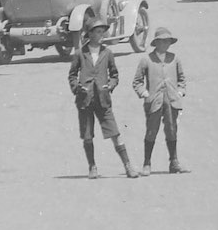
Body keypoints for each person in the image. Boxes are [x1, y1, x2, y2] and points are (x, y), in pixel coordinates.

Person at [68, 14, 130, 176]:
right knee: (87, 136)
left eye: (102, 32)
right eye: (97, 32)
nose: (101, 35)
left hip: (103, 99)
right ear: (89, 34)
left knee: (115, 133)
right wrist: (77, 88)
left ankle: (128, 165)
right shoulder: (80, 54)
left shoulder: (107, 53)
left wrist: (110, 85)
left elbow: (114, 74)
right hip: (85, 100)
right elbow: (72, 75)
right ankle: (92, 167)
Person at [131, 30, 188, 174]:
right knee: (151, 131)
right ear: (156, 43)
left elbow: (182, 79)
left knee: (172, 129)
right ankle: (147, 163)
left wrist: (180, 92)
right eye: (162, 41)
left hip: (172, 100)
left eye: (168, 41)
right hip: (154, 101)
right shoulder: (147, 60)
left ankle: (174, 162)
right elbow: (137, 81)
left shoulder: (174, 59)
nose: (165, 44)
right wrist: (144, 93)